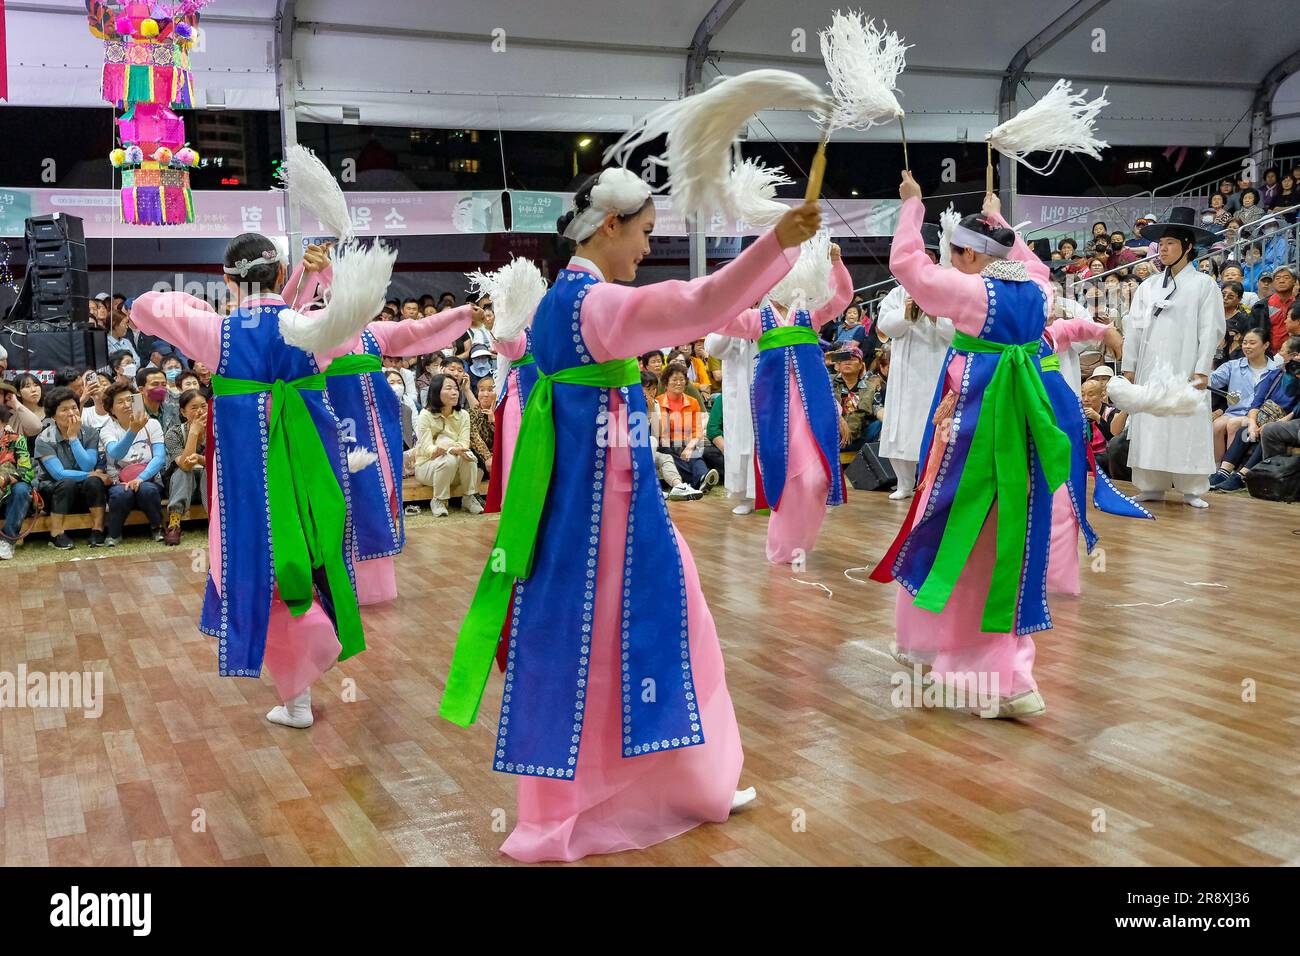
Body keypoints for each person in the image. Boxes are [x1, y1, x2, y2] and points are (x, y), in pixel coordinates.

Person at [439, 165, 820, 863]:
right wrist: (778, 245)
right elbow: (700, 301)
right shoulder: (599, 306)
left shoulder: (562, 301)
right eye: (645, 232)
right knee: (653, 633)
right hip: (607, 517)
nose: (649, 247)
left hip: (577, 510)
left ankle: (673, 783)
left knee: (607, 641)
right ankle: (674, 785)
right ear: (609, 225)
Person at [131, 231, 386, 729]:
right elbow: (349, 330)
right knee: (308, 556)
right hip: (309, 470)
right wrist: (317, 277)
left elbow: (143, 306)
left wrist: (210, 302)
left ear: (228, 279)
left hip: (248, 476)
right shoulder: (314, 326)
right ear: (280, 270)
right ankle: (299, 697)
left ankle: (307, 658)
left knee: (254, 568)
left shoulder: (217, 331)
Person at [870, 173, 1072, 720]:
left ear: (966, 255)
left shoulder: (969, 290)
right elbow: (1033, 263)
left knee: (944, 526)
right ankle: (938, 646)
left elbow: (907, 266)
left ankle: (986, 671)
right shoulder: (1036, 289)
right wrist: (1000, 218)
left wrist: (910, 205)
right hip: (1021, 429)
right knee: (1003, 537)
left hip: (968, 432)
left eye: (957, 251)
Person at [283, 242, 476, 604]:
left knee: (377, 498)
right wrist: (308, 271)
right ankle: (332, 584)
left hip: (374, 432)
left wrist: (463, 313)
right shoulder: (312, 330)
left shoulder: (374, 333)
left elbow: (419, 330)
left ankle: (372, 587)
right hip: (330, 430)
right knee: (334, 502)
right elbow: (283, 313)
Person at [1121, 207, 1225, 508]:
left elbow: (1211, 330)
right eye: (1161, 244)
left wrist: (1202, 369)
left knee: (1186, 422)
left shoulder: (1204, 285)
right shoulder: (1149, 285)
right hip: (1151, 369)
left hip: (1186, 367)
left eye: (1170, 244)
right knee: (1151, 420)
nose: (1163, 249)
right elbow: (1134, 327)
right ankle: (1150, 484)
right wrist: (1129, 367)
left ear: (1187, 247)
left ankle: (1192, 488)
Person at [876, 222, 955, 499]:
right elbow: (886, 327)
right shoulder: (896, 295)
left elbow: (956, 332)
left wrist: (934, 314)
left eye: (929, 257)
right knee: (902, 424)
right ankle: (905, 482)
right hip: (905, 371)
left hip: (937, 368)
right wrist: (908, 314)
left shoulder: (949, 289)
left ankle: (933, 480)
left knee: (933, 423)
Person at [1211, 336, 1300, 492]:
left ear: (1296, 355)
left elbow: (1296, 411)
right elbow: (1257, 402)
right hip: (1261, 417)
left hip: (1283, 421)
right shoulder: (1275, 374)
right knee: (1244, 431)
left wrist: (1276, 423)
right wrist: (1252, 423)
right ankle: (1224, 472)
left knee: (1266, 433)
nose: (1278, 354)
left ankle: (1242, 476)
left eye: (1283, 351)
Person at [34, 387, 109, 550]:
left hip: (82, 492)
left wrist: (73, 437)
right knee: (68, 482)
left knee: (94, 482)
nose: (71, 413)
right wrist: (91, 474)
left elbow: (88, 464)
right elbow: (58, 473)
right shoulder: (44, 438)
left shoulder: (89, 433)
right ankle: (56, 533)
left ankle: (98, 530)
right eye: (64, 410)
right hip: (54, 491)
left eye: (74, 407)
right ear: (53, 416)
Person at [99, 382, 167, 545]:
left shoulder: (152, 424)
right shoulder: (107, 429)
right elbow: (116, 452)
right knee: (121, 494)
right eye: (120, 402)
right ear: (111, 409)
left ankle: (157, 528)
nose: (127, 405)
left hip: (148, 478)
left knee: (148, 490)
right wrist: (133, 430)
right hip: (119, 481)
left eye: (130, 400)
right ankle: (114, 534)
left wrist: (141, 478)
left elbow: (160, 458)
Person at [702, 331, 758, 513]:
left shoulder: (768, 307)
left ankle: (772, 493)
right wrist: (734, 323)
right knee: (740, 438)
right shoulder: (730, 315)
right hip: (738, 390)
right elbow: (714, 347)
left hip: (765, 382)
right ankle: (745, 496)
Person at [412, 373, 482, 516]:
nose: (454, 392)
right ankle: (439, 500)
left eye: (456, 388)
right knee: (448, 458)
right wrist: (450, 449)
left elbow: (464, 443)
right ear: (436, 392)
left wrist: (454, 449)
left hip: (455, 467)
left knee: (469, 457)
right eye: (448, 388)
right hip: (427, 467)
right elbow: (427, 448)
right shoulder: (425, 415)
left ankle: (469, 497)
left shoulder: (463, 415)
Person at [1210, 328, 1276, 460]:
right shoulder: (1233, 366)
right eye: (1245, 342)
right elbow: (1212, 381)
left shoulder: (1275, 370)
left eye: (1252, 343)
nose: (1247, 346)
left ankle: (1229, 468)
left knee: (1233, 424)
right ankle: (1217, 468)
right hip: (1234, 412)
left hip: (1259, 415)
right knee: (1216, 426)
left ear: (1265, 345)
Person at [655, 362, 719, 493]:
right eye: (674, 380)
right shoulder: (658, 402)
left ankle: (702, 478)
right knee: (672, 451)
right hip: (666, 442)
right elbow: (659, 432)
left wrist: (690, 446)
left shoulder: (692, 402)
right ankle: (701, 480)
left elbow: (697, 430)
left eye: (681, 380)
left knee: (695, 451)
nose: (678, 383)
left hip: (688, 441)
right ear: (666, 383)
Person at [161, 387, 208, 546]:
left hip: (206, 481)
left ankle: (215, 522)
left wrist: (201, 459)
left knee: (211, 471)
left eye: (203, 406)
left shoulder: (218, 429)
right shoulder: (173, 433)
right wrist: (194, 432)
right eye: (194, 408)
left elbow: (219, 462)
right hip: (181, 485)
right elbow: (186, 464)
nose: (200, 411)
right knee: (183, 473)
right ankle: (174, 524)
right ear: (183, 412)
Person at [0, 391, 36, 560]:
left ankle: (7, 541)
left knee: (22, 489)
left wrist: (5, 479)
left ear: (2, 423)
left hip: (9, 491)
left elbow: (26, 471)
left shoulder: (16, 439)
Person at [1265, 266, 1297, 352]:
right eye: (1278, 278)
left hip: (1295, 352)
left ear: (1294, 281)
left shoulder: (1298, 304)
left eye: (1286, 278)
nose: (1282, 281)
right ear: (1273, 282)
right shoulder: (1262, 306)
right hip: (1268, 354)